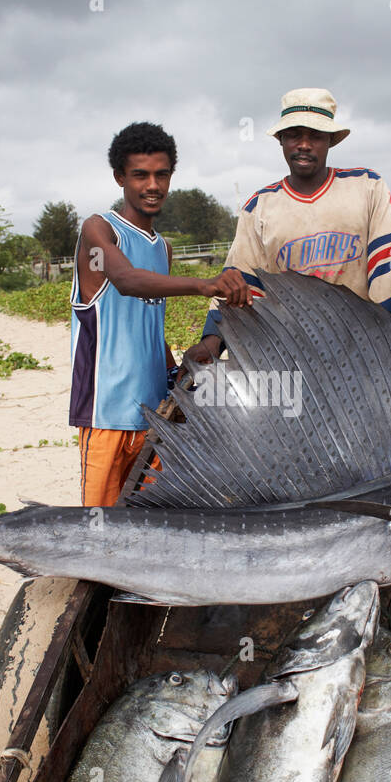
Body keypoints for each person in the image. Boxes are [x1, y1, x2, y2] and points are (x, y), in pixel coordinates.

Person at [183, 87, 391, 366]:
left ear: (330, 141)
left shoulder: (366, 187)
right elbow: (241, 285)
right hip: (295, 353)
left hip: (366, 345)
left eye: (315, 136)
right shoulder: (259, 208)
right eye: (294, 135)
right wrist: (210, 344)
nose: (304, 144)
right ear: (281, 139)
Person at [70, 121, 251, 506]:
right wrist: (205, 285)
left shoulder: (162, 248)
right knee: (97, 530)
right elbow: (126, 280)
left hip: (154, 415)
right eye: (140, 175)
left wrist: (179, 373)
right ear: (120, 177)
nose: (152, 185)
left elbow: (149, 328)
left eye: (161, 174)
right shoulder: (100, 230)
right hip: (106, 414)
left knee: (149, 526)